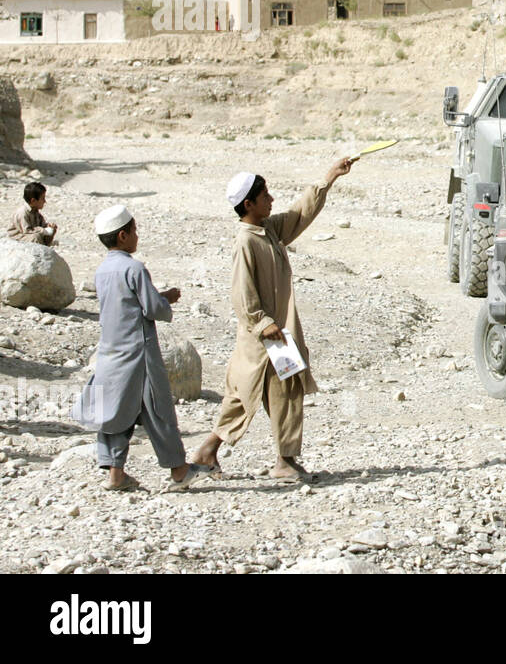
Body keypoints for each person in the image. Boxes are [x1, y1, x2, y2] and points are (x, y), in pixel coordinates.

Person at [189, 158, 352, 481]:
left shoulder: (269, 230)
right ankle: (212, 451)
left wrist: (328, 179)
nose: (271, 200)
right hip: (262, 339)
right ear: (248, 204)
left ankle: (283, 460)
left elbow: (298, 215)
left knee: (288, 391)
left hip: (278, 337)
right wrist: (263, 323)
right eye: (265, 197)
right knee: (240, 397)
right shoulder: (246, 241)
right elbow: (242, 294)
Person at [71, 205, 209, 492]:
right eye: (134, 230)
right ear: (123, 235)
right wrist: (167, 298)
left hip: (111, 354)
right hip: (139, 353)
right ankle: (180, 470)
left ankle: (115, 472)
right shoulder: (134, 268)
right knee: (159, 410)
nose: (137, 235)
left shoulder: (103, 270)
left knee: (115, 413)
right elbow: (152, 308)